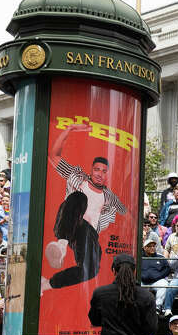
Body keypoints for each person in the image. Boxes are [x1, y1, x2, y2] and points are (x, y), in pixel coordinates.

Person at [42, 122, 128, 293]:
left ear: (107, 174)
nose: (100, 174)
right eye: (97, 169)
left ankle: (47, 284)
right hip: (69, 218)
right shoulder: (78, 177)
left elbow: (127, 213)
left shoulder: (110, 196)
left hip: (88, 233)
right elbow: (53, 155)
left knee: (91, 269)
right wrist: (69, 130)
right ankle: (61, 244)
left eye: (104, 171)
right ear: (91, 170)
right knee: (80, 197)